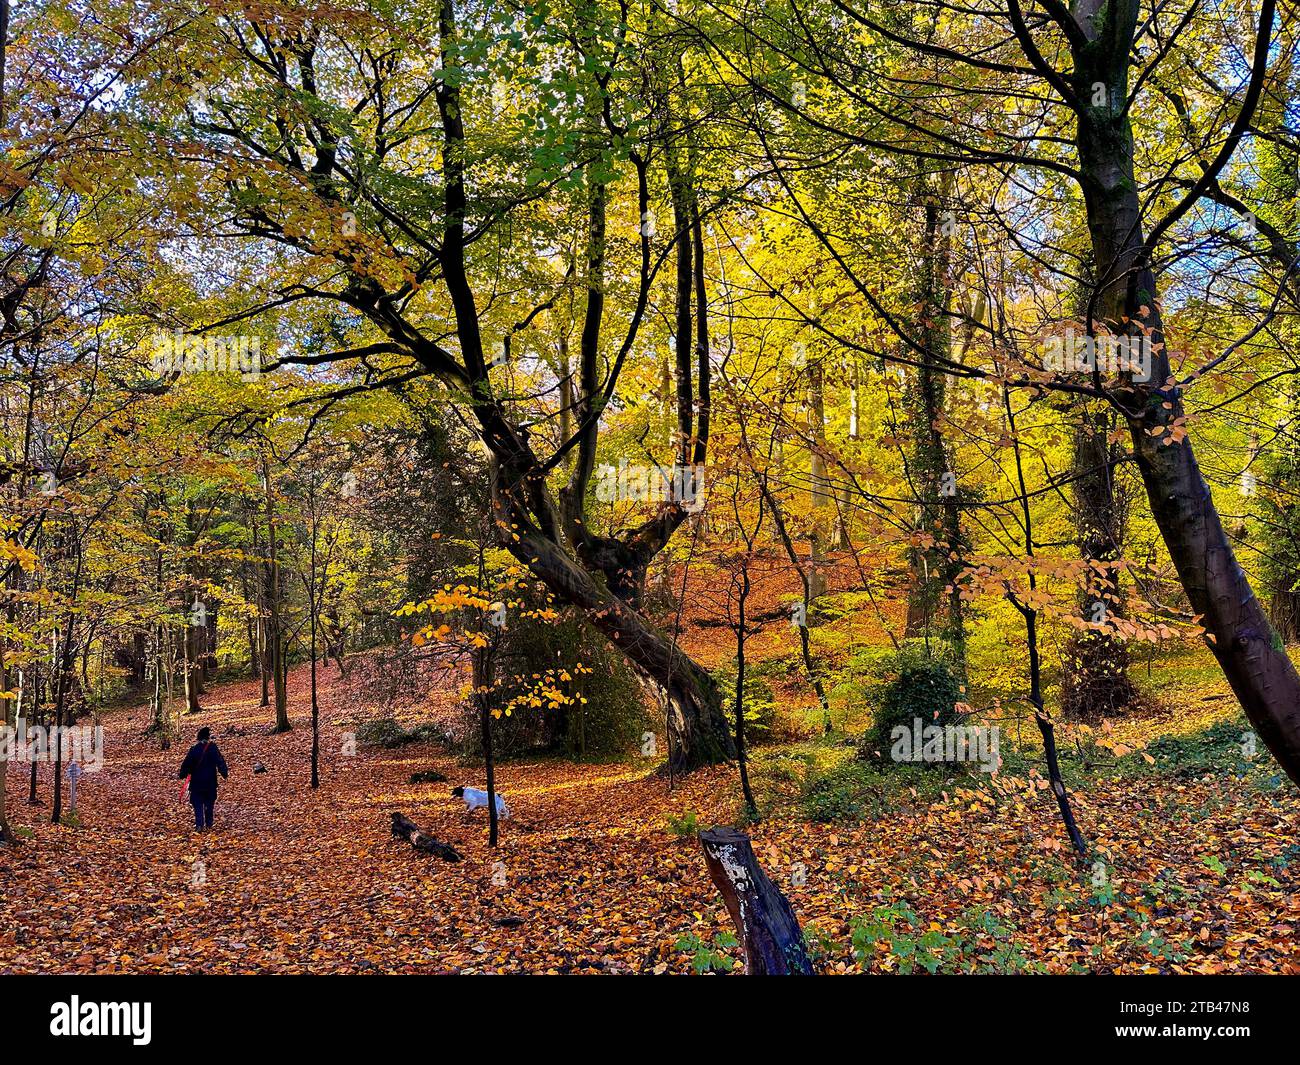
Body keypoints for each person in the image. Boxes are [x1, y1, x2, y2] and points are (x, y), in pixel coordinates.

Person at [178, 727, 229, 831]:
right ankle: (209, 824)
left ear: (198, 737)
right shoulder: (213, 748)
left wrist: (182, 774)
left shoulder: (194, 749)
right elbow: (220, 761)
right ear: (208, 737)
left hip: (197, 783)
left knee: (197, 804)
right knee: (209, 803)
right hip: (210, 782)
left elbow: (186, 764)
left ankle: (199, 824)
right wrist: (224, 773)